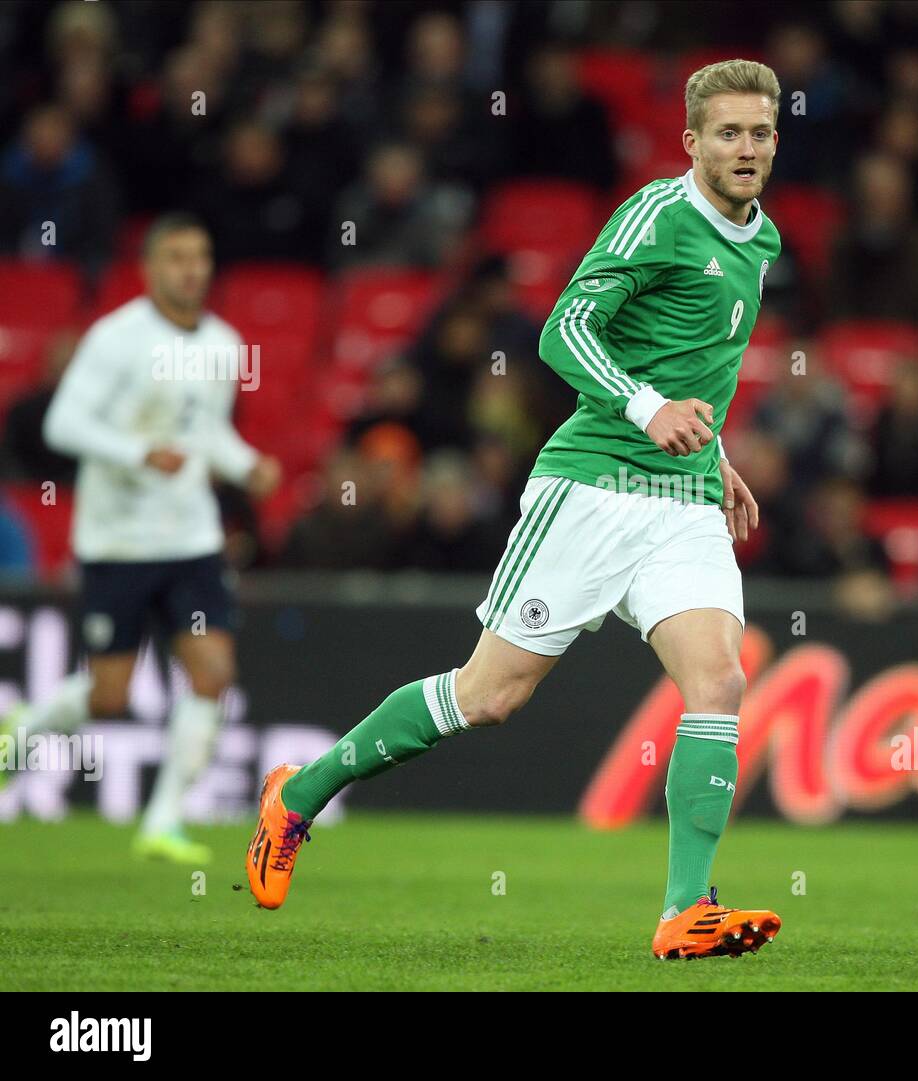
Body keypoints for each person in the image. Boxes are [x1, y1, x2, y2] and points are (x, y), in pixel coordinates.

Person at [246, 60, 786, 961]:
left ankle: (685, 909)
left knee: (720, 682)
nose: (745, 148)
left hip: (682, 500)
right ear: (691, 142)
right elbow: (564, 330)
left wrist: (715, 448)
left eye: (760, 133)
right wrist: (647, 409)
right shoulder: (658, 216)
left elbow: (693, 360)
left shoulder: (761, 239)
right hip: (593, 489)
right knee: (487, 695)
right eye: (727, 132)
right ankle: (299, 795)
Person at [0, 214, 280, 862]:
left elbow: (206, 432)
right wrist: (135, 451)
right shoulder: (116, 338)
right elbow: (64, 424)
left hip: (192, 539)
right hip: (117, 541)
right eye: (176, 257)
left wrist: (246, 465)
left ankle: (163, 820)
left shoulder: (225, 342)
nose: (190, 269)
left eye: (200, 256)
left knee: (213, 671)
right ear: (151, 269)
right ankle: (25, 730)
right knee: (109, 694)